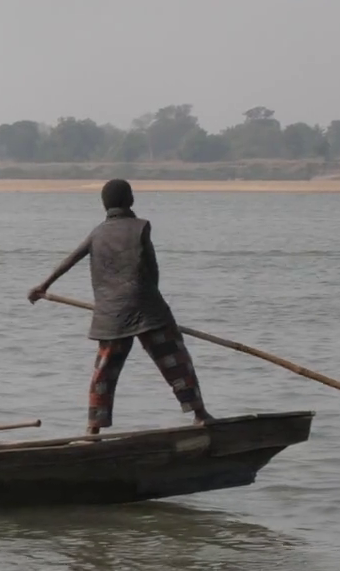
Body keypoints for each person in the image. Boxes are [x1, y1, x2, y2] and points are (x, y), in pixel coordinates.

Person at [29, 178, 212, 435]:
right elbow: (152, 269)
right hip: (147, 308)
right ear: (131, 200)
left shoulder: (97, 233)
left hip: (111, 313)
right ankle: (200, 414)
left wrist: (42, 287)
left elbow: (69, 261)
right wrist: (152, 301)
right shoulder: (140, 227)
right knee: (175, 361)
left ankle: (93, 430)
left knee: (104, 373)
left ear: (104, 205)